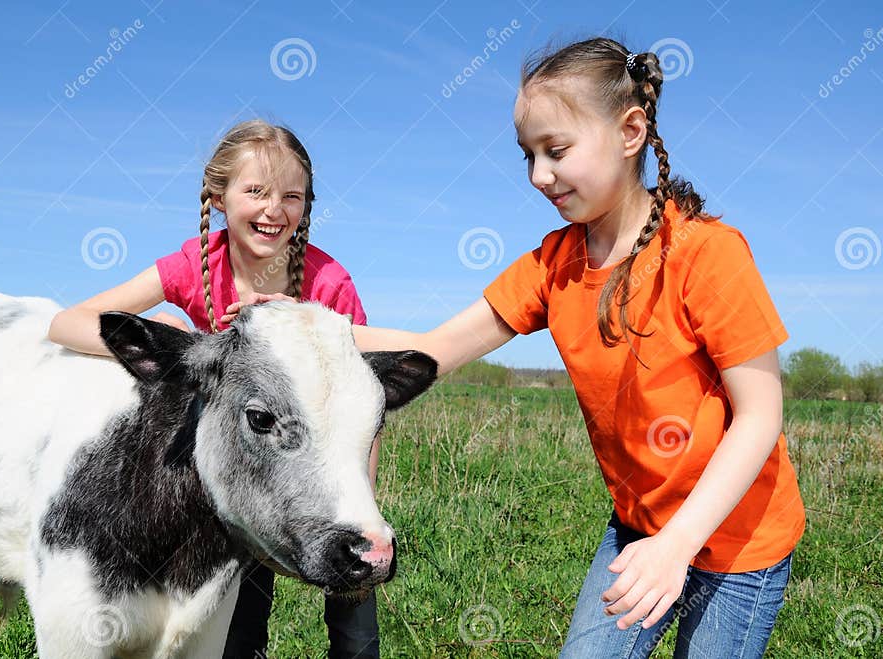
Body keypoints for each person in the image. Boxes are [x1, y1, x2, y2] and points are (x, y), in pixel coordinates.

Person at [230, 38, 805, 658]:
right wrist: (306, 321)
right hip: (639, 527)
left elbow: (760, 415)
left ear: (631, 130)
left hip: (739, 544)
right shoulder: (553, 264)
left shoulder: (707, 254)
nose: (539, 176)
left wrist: (677, 546)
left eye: (556, 151)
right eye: (529, 155)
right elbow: (436, 347)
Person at [48, 119, 382, 658]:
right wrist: (169, 340)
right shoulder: (196, 264)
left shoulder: (327, 284)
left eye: (291, 196)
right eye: (256, 192)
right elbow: (67, 323)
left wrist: (361, 495)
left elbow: (359, 400)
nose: (274, 210)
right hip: (238, 478)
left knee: (353, 619)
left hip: (322, 479)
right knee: (235, 627)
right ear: (218, 198)